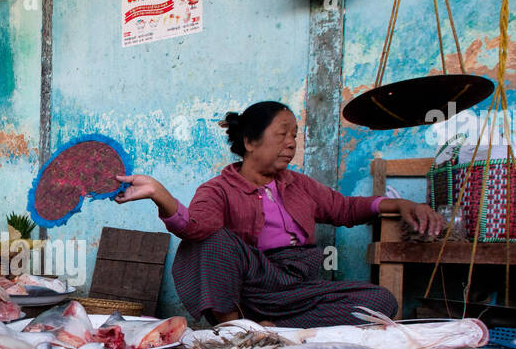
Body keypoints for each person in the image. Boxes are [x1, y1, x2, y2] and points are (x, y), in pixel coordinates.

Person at [114, 100, 444, 327]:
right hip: (255, 287)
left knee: (380, 302)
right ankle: (234, 330)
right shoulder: (218, 188)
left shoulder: (299, 184)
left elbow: (345, 208)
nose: (291, 143)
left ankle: (264, 331)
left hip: (299, 289)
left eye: (295, 136)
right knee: (212, 240)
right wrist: (160, 194)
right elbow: (195, 228)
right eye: (282, 135)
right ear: (250, 142)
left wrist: (402, 205)